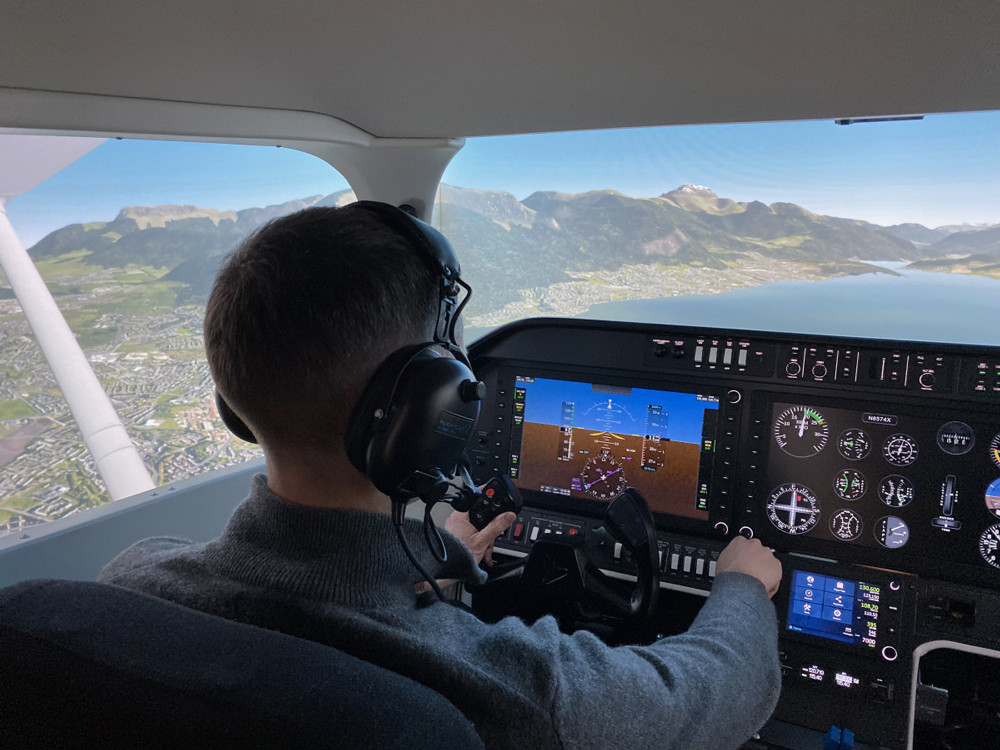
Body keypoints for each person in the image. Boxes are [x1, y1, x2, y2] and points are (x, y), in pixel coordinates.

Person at [99, 202, 783, 750]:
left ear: (234, 408)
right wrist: (743, 588)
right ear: (427, 410)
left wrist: (431, 573)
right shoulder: (521, 698)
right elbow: (715, 691)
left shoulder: (128, 586)